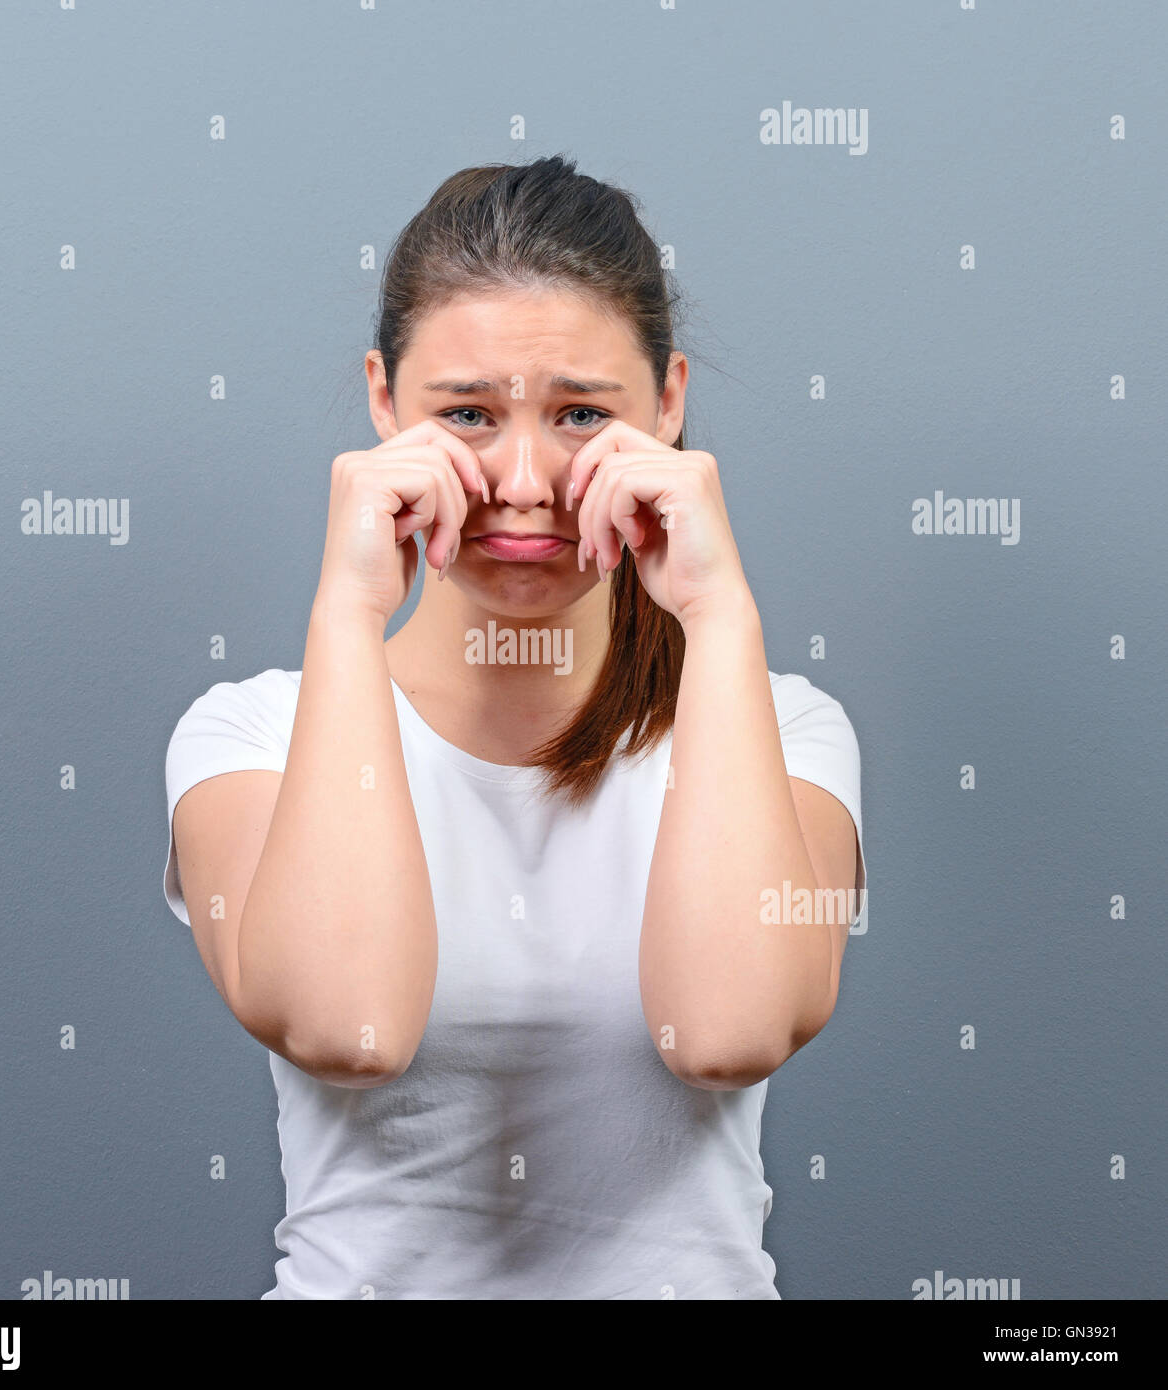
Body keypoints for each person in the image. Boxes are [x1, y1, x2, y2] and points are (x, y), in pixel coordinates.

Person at [160, 154, 867, 1300]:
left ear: (670, 405)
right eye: (469, 415)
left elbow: (728, 1030)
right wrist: (345, 609)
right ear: (383, 404)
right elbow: (352, 1028)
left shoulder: (783, 728)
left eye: (583, 413)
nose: (527, 477)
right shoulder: (250, 737)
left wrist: (720, 614)